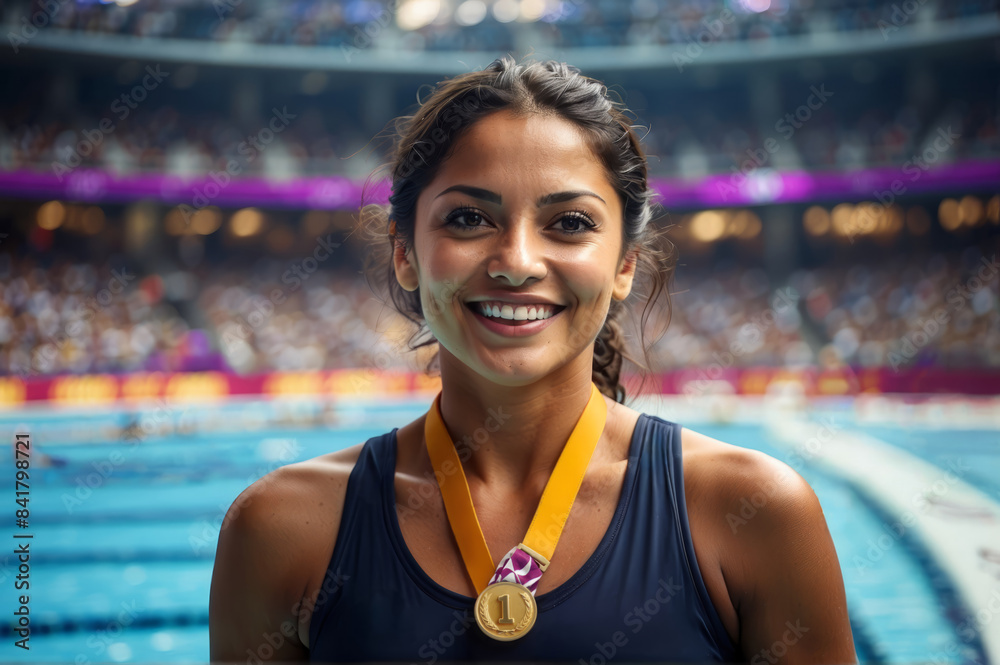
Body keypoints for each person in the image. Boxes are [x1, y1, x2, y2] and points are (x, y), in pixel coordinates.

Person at [209, 56, 858, 664]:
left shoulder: (752, 511)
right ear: (405, 251)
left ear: (625, 263)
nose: (517, 261)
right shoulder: (282, 528)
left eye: (570, 222)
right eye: (468, 218)